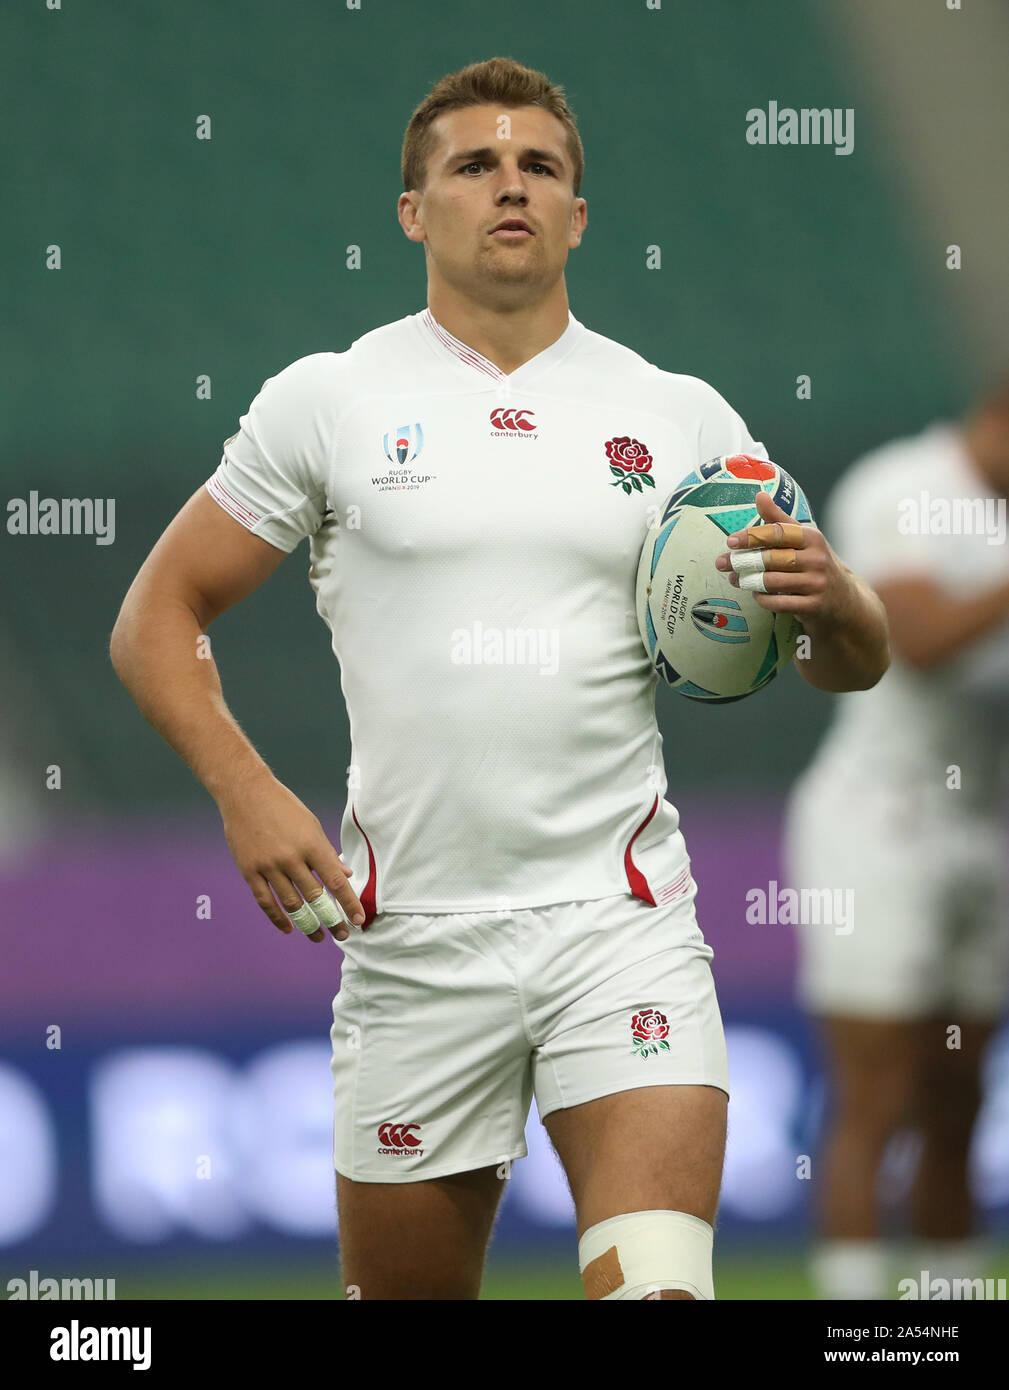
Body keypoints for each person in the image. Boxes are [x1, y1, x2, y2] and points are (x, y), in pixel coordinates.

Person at [110, 56, 888, 1301]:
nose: (509, 186)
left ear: (579, 215)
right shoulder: (332, 399)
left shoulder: (677, 416)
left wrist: (842, 603)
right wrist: (245, 788)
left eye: (541, 168)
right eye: (475, 165)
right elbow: (156, 616)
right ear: (414, 210)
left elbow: (849, 661)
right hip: (412, 939)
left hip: (619, 929)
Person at [784, 384, 1009, 1300]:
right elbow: (915, 639)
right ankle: (856, 1317)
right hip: (877, 824)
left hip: (983, 827)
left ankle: (947, 1306)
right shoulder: (905, 486)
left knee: (959, 1091)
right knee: (873, 1091)